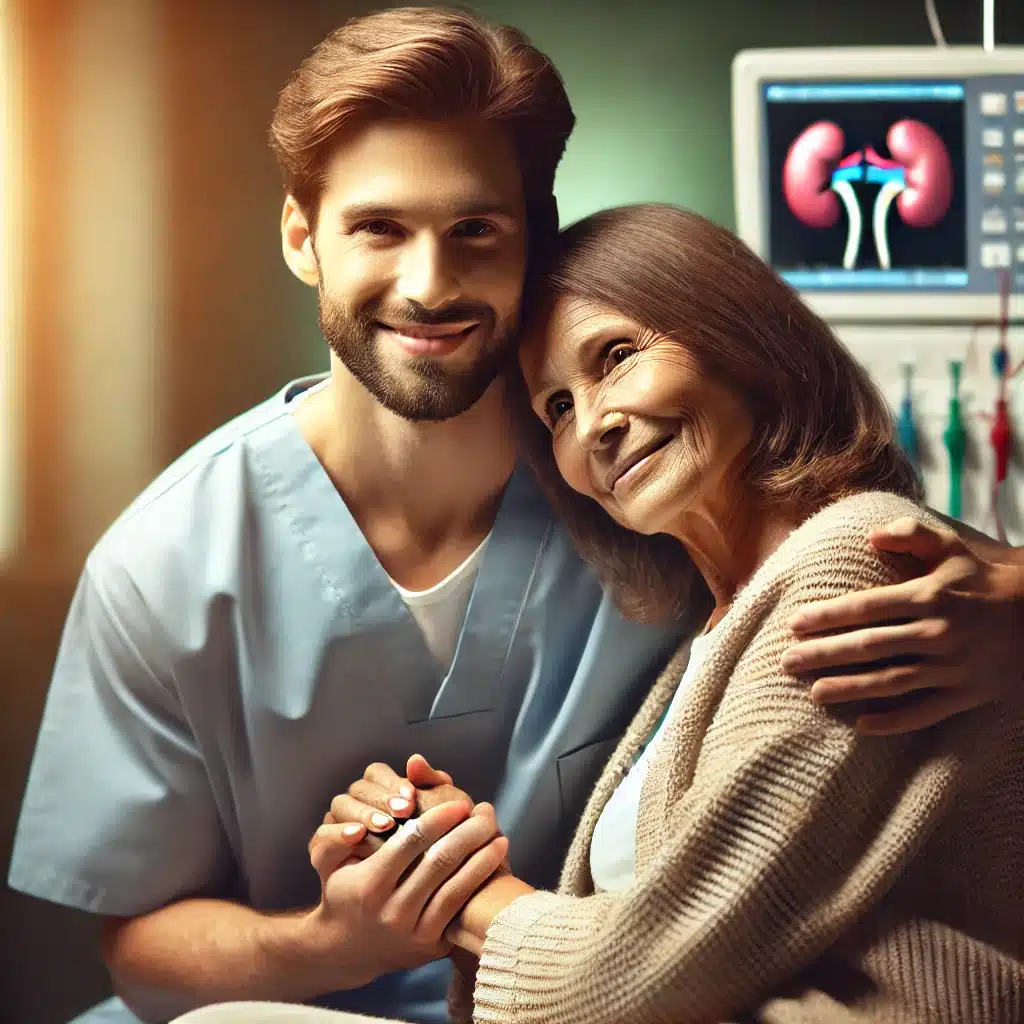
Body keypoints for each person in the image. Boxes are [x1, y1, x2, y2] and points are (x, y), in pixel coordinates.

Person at [7, 8, 1022, 1024]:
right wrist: (334, 937)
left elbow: (866, 548)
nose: (428, 283)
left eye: (474, 230)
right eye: (378, 227)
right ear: (301, 237)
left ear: (529, 238)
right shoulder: (163, 563)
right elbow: (136, 948)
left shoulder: (649, 494)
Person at [185, 204, 1024, 1024]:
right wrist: (420, 835)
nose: (593, 424)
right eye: (556, 408)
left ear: (740, 334)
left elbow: (635, 976)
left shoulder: (849, 566)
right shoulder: (711, 630)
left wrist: (456, 883)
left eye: (617, 356)